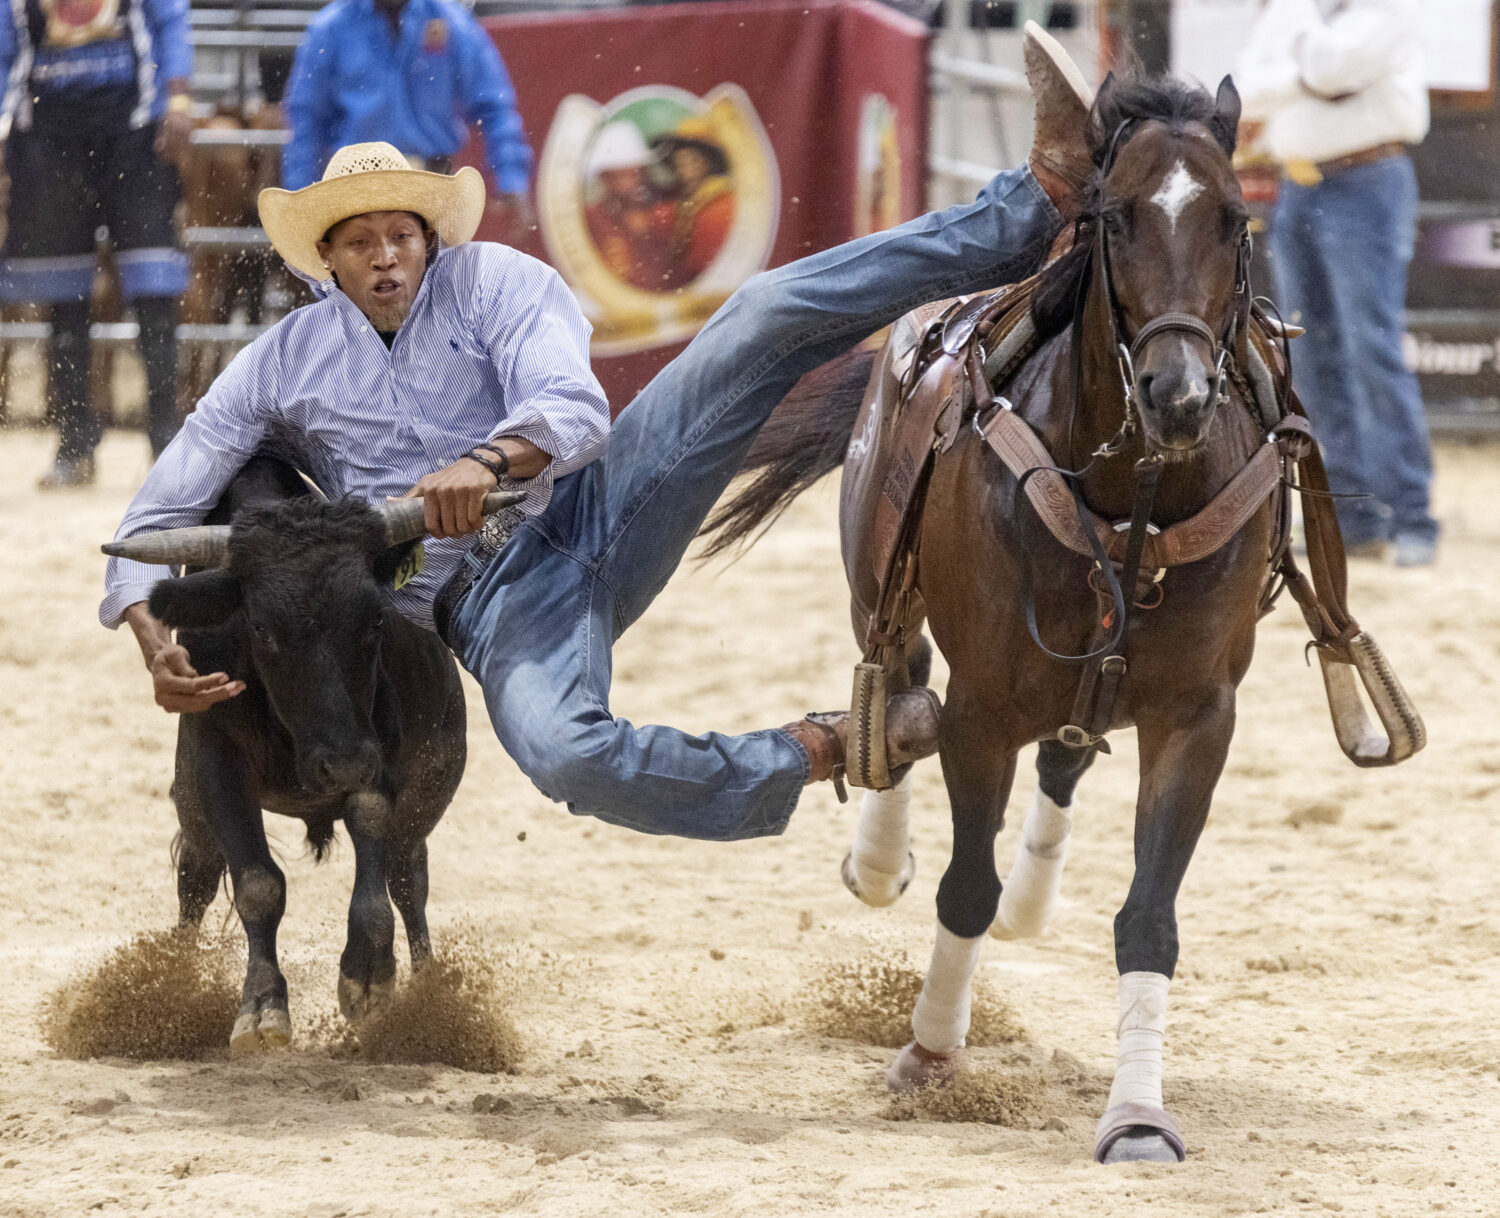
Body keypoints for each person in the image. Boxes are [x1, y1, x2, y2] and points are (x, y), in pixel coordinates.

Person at [101, 27, 1092, 841]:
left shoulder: (494, 282)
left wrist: (485, 460)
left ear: (429, 236)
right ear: (329, 260)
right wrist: (151, 635)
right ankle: (818, 750)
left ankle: (1033, 205)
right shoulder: (281, 363)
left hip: (600, 502)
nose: (387, 256)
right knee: (566, 755)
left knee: (759, 315)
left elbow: (575, 410)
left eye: (402, 233)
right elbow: (160, 508)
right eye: (361, 242)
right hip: (485, 609)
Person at [1236, 0, 1438, 566]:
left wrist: (1302, 66)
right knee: (1314, 357)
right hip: (1300, 186)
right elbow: (1249, 89)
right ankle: (1353, 518)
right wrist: (1306, 79)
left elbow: (1328, 69)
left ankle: (1411, 515)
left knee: (1370, 349)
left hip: (1366, 181)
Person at [0, 0, 193, 487]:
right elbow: (5, 46)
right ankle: (75, 444)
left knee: (154, 292)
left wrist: (178, 99)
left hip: (136, 129)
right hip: (47, 134)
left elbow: (168, 18)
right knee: (64, 296)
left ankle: (165, 445)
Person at [282, 0, 534, 243]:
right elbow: (306, 120)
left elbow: (493, 103)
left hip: (432, 186)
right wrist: (302, 198)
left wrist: (511, 176)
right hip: (357, 188)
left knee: (437, 278)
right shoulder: (332, 27)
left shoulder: (450, 20)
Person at [583, 122, 677, 291]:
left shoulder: (665, 212)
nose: (628, 182)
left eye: (633, 173)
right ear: (605, 178)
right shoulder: (592, 217)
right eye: (619, 175)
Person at [652, 118, 735, 284]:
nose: (683, 163)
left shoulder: (723, 207)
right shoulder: (674, 207)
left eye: (693, 158)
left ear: (708, 161)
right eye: (678, 157)